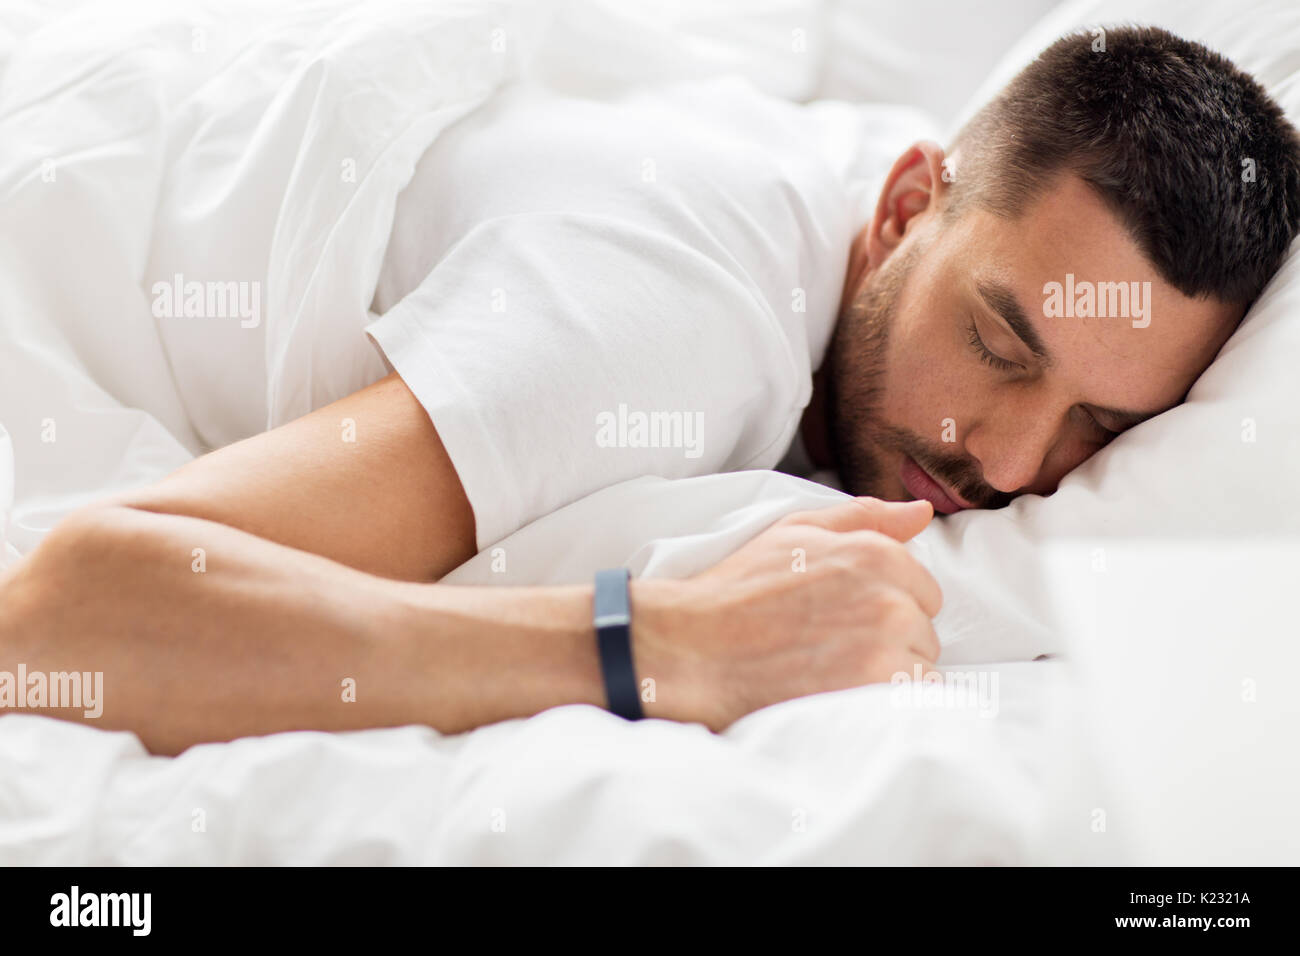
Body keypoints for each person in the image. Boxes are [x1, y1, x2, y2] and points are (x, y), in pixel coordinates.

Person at [2, 27, 1297, 755]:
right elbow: (63, 614)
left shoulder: (875, 199)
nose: (1011, 463)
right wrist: (659, 645)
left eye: (1099, 426)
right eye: (1003, 346)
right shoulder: (668, 322)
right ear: (908, 206)